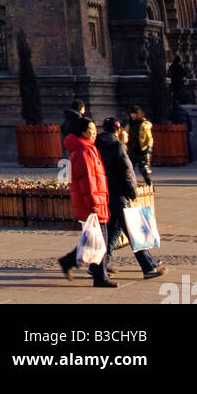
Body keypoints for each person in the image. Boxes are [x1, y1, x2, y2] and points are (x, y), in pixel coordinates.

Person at [96, 117, 165, 281]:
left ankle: (98, 266)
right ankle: (149, 267)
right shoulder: (118, 146)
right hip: (119, 195)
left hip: (105, 193)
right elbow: (127, 173)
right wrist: (133, 193)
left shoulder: (96, 145)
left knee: (112, 231)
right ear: (118, 130)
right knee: (133, 230)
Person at [58, 116, 115, 288]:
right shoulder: (83, 151)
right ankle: (100, 277)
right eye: (91, 129)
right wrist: (94, 205)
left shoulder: (88, 148)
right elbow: (87, 180)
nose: (95, 132)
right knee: (100, 241)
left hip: (95, 200)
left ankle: (69, 262)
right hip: (92, 203)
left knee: (94, 240)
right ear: (83, 132)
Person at [127, 107, 153, 185]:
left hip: (141, 150)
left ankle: (150, 185)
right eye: (132, 113)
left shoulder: (144, 125)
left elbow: (149, 138)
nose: (133, 115)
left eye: (135, 113)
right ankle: (131, 185)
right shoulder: (129, 125)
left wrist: (148, 147)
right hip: (131, 150)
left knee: (144, 170)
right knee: (129, 169)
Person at [170, 95, 193, 162]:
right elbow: (189, 121)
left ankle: (180, 158)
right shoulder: (184, 111)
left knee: (178, 144)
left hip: (176, 129)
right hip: (185, 128)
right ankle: (190, 158)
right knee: (187, 143)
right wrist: (190, 130)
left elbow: (169, 117)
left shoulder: (173, 110)